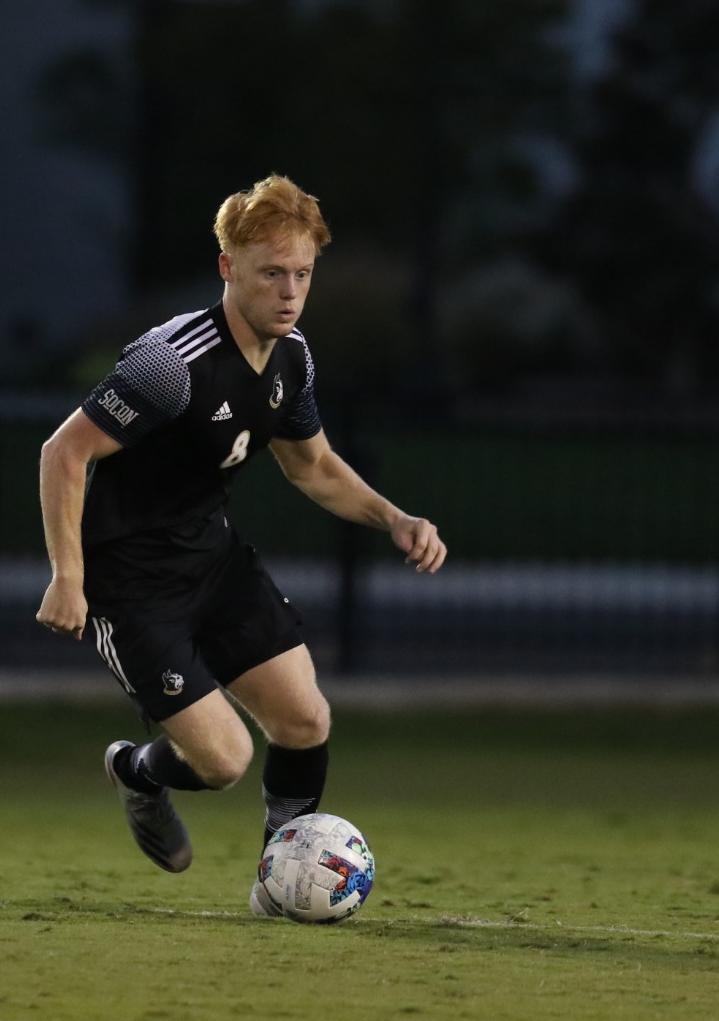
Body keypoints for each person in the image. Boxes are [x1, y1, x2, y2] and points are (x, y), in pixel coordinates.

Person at [35, 174, 445, 914]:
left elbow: (312, 465)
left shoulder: (294, 358)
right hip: (131, 586)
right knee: (224, 760)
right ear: (228, 267)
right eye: (271, 273)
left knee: (306, 718)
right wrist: (70, 576)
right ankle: (138, 771)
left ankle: (278, 885)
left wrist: (395, 518)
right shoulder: (170, 364)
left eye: (302, 274)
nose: (289, 292)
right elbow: (63, 453)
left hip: (213, 560)